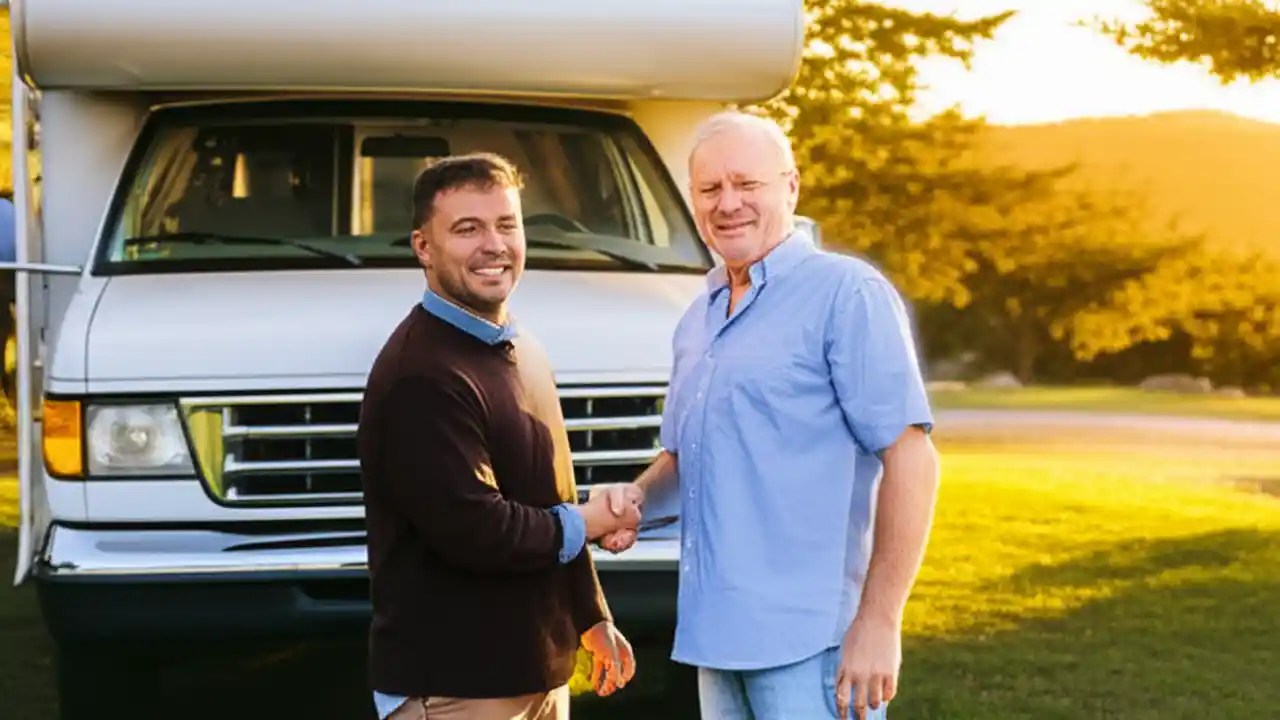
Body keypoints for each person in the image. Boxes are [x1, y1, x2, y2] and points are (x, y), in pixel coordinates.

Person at [596, 111, 940, 719]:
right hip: (715, 639)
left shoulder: (845, 293)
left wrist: (880, 620)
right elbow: (687, 459)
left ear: (791, 186)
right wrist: (637, 501)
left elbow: (911, 453)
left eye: (746, 184)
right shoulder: (697, 317)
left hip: (814, 644)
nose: (727, 203)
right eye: (710, 189)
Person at [358, 153, 640, 720]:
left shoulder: (520, 347)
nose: (494, 244)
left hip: (532, 676)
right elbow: (478, 529)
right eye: (467, 229)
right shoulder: (422, 375)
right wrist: (594, 520)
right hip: (453, 690)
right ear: (423, 246)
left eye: (506, 224)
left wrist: (590, 615)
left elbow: (549, 492)